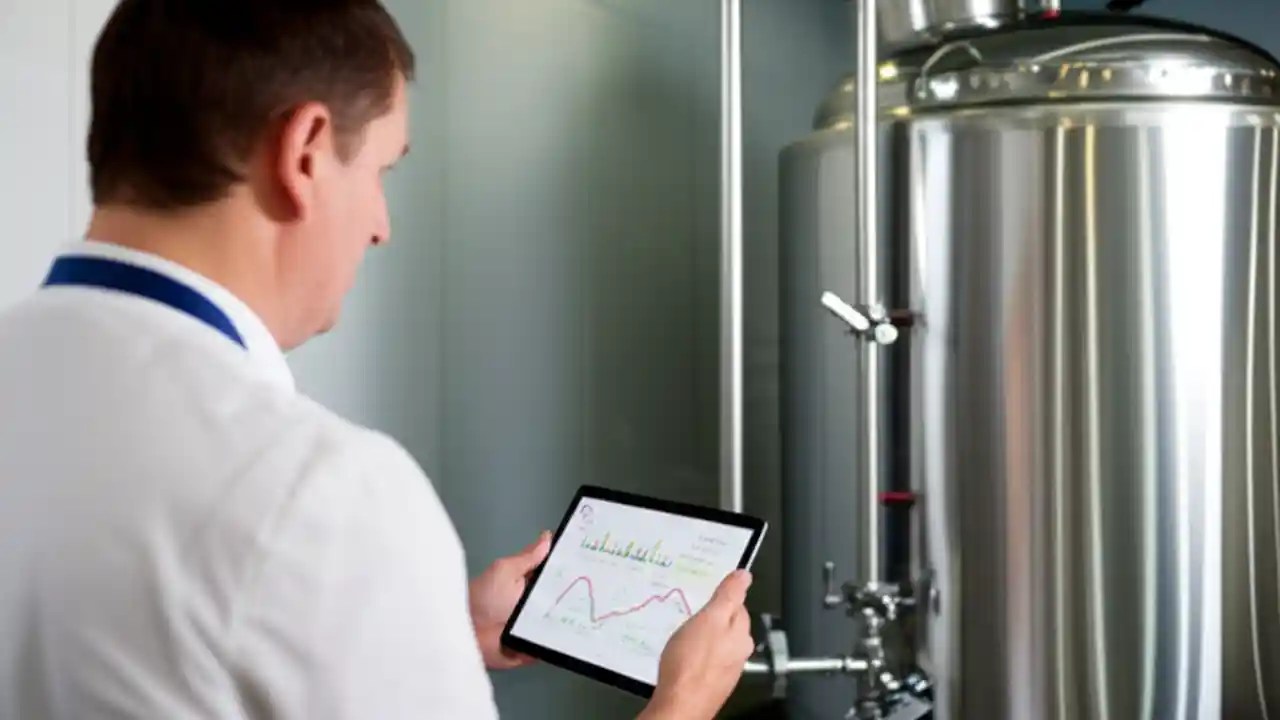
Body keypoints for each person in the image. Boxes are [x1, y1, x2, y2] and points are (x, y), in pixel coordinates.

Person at [0, 1, 756, 718]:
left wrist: (429, 636)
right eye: (382, 171)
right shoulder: (320, 492)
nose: (380, 225)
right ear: (303, 154)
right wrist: (683, 699)